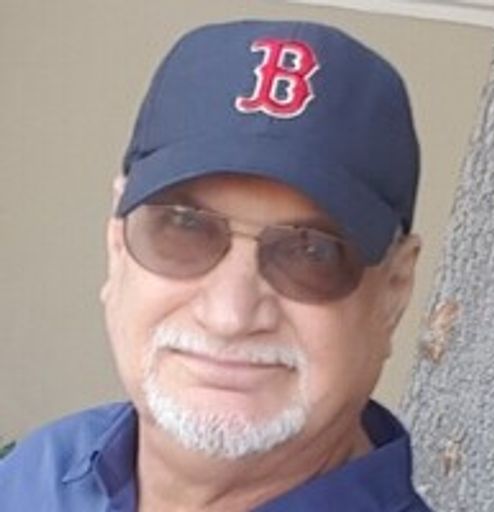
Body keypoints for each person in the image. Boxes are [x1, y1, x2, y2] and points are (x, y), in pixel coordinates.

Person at [0, 19, 431, 511]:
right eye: (184, 226)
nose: (230, 315)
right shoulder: (39, 471)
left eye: (311, 252)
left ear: (394, 290)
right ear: (117, 244)